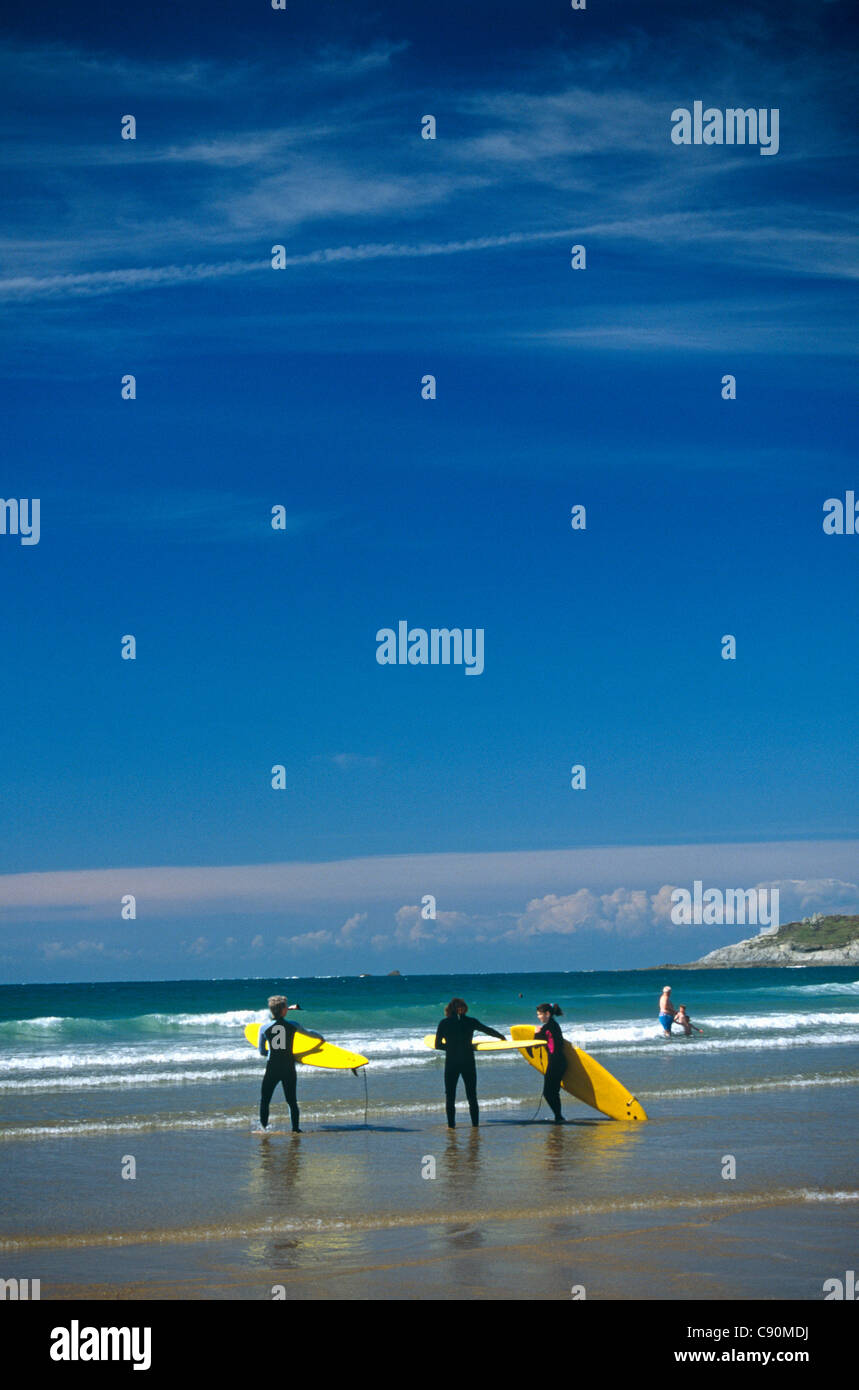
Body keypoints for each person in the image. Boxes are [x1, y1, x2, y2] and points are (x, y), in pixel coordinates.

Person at [434, 998, 505, 1128]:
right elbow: (487, 1029)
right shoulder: (471, 1021)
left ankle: (451, 1126)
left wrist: (451, 1047)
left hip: (452, 1063)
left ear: (450, 1009)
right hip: (468, 1062)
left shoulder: (444, 1023)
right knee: (472, 1095)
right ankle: (475, 1126)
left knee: (450, 1096)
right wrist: (501, 1036)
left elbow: (437, 1045)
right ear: (464, 1009)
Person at [258, 994, 323, 1133]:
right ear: (284, 1011)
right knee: (291, 1101)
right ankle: (295, 1129)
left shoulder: (263, 1028)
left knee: (265, 1100)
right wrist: (321, 1038)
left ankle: (263, 1129)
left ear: (271, 1010)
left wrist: (271, 1052)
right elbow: (309, 1033)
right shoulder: (293, 1025)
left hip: (273, 1067)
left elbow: (262, 1051)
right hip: (288, 1067)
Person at [535, 1002, 567, 1123]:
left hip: (555, 1063)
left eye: (539, 1014)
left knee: (548, 1093)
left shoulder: (548, 1027)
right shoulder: (554, 1025)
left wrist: (536, 1032)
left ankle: (559, 1117)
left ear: (547, 1014)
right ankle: (558, 1117)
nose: (538, 1017)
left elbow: (536, 1044)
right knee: (553, 1092)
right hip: (560, 1062)